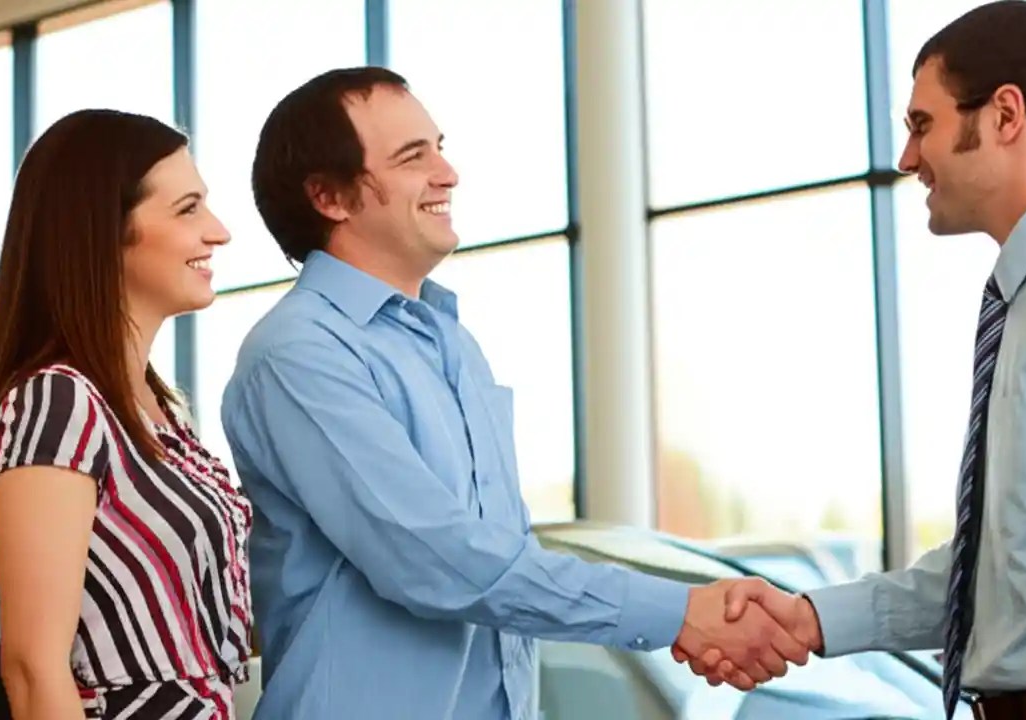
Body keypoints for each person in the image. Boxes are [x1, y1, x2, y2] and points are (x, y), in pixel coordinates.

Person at [682, 2, 1026, 719]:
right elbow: (1003, 573)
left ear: (1006, 115)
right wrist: (812, 618)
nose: (908, 159)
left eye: (922, 125)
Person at [219, 66, 809, 720]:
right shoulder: (299, 352)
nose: (448, 173)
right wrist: (679, 612)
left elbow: (507, 560)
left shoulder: (452, 345)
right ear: (330, 197)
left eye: (439, 147)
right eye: (414, 157)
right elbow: (435, 560)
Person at [0, 109, 252, 720]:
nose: (219, 231)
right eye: (188, 209)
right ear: (102, 232)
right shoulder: (57, 403)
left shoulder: (154, 413)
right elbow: (32, 669)